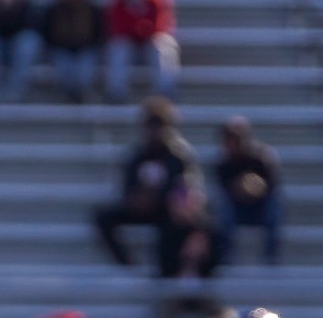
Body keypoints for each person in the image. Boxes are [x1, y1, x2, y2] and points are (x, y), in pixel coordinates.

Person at [92, 97, 208, 278]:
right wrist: (136, 199)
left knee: (177, 224)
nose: (155, 132)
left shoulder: (179, 157)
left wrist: (165, 198)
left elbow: (187, 189)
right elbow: (127, 187)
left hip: (167, 211)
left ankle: (167, 276)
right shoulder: (138, 155)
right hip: (141, 209)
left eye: (159, 125)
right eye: (151, 125)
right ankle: (127, 265)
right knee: (103, 217)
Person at [104, 0, 178, 104]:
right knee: (118, 46)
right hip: (129, 44)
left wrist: (140, 28)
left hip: (150, 43)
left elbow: (160, 25)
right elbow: (117, 27)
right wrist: (140, 28)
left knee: (163, 44)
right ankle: (116, 92)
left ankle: (166, 92)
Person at [212, 117, 280, 266]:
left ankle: (271, 256)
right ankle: (226, 254)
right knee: (223, 207)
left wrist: (256, 188)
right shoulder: (223, 163)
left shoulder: (261, 158)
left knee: (275, 205)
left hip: (259, 207)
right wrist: (242, 187)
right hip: (236, 208)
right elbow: (227, 189)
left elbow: (271, 186)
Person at [40, 0, 103, 103]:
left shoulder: (92, 9)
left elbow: (98, 34)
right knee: (63, 69)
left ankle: (79, 99)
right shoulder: (52, 9)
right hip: (60, 50)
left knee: (83, 73)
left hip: (86, 50)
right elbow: (47, 35)